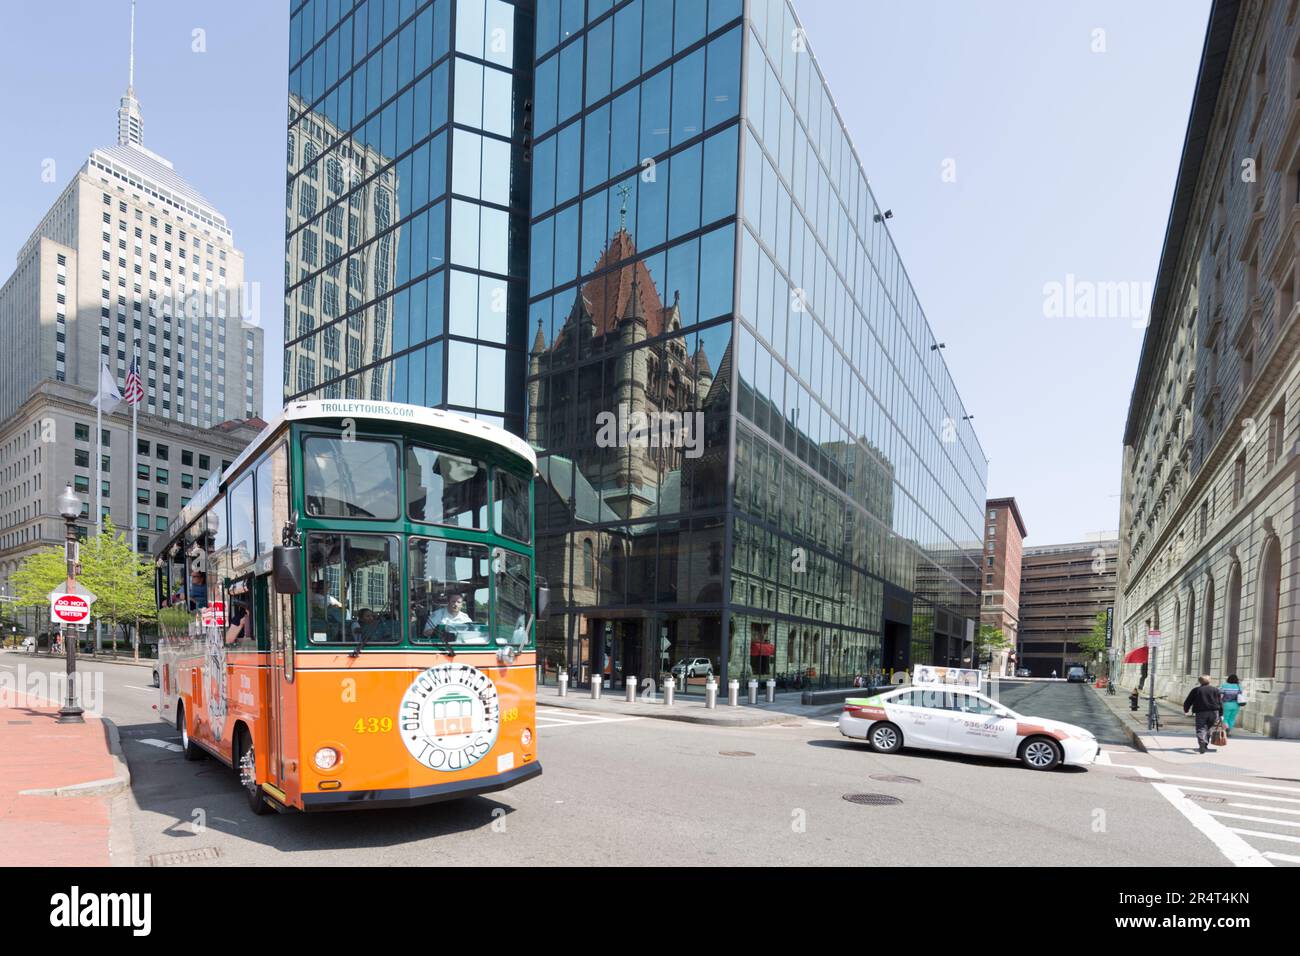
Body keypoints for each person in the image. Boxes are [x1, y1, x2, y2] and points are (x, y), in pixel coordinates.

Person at [1183, 674, 1223, 754]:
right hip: (1214, 712)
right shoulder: (1216, 690)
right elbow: (1220, 703)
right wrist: (1221, 714)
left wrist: (1186, 709)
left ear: (1200, 681)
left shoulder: (1196, 690)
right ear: (1210, 681)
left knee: (1201, 728)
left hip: (1201, 712)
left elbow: (1188, 701)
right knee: (1209, 728)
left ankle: (1202, 742)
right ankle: (1205, 744)